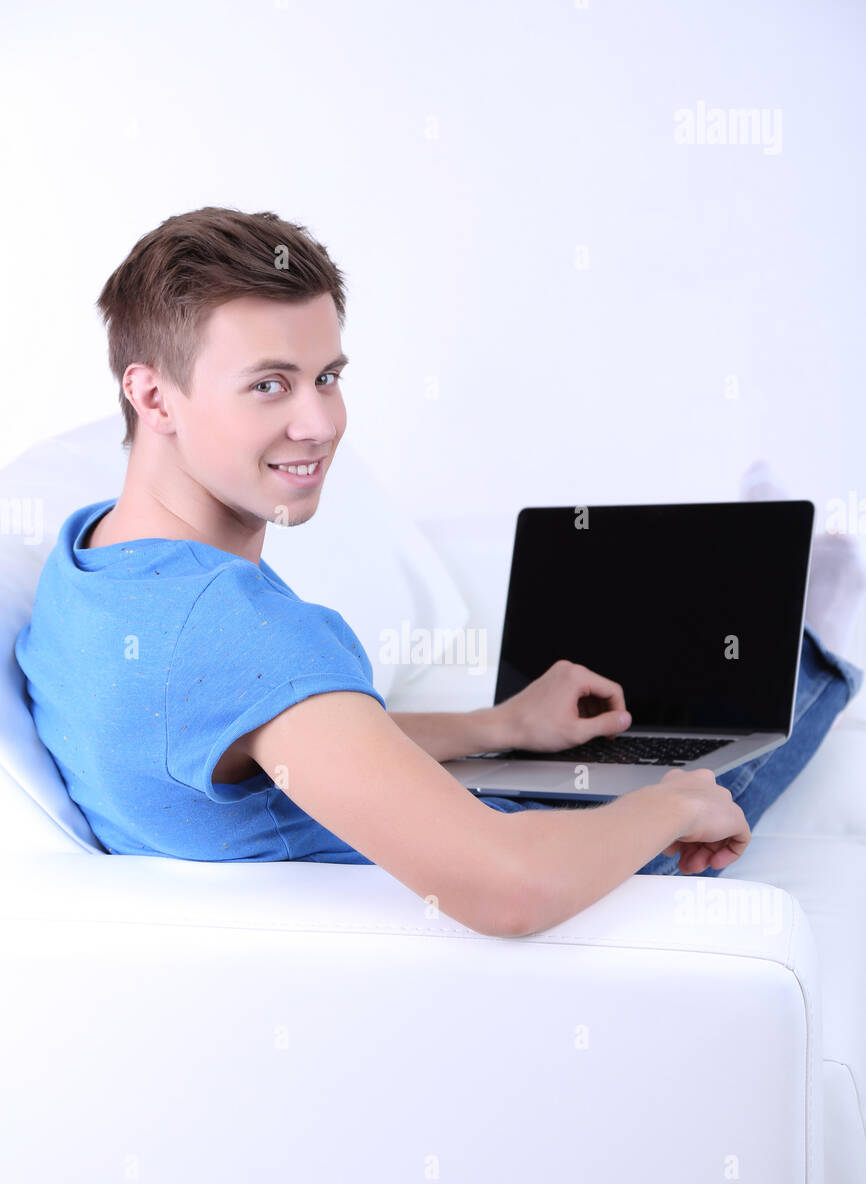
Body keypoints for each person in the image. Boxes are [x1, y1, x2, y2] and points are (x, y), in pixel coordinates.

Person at [14, 208, 865, 937]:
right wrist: (676, 805)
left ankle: (783, 576)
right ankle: (821, 615)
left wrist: (498, 726)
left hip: (419, 822)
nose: (319, 423)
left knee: (616, 690)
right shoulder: (235, 629)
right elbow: (512, 888)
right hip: (568, 885)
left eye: (327, 377)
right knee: (738, 719)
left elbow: (288, 744)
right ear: (152, 396)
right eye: (269, 386)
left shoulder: (91, 561)